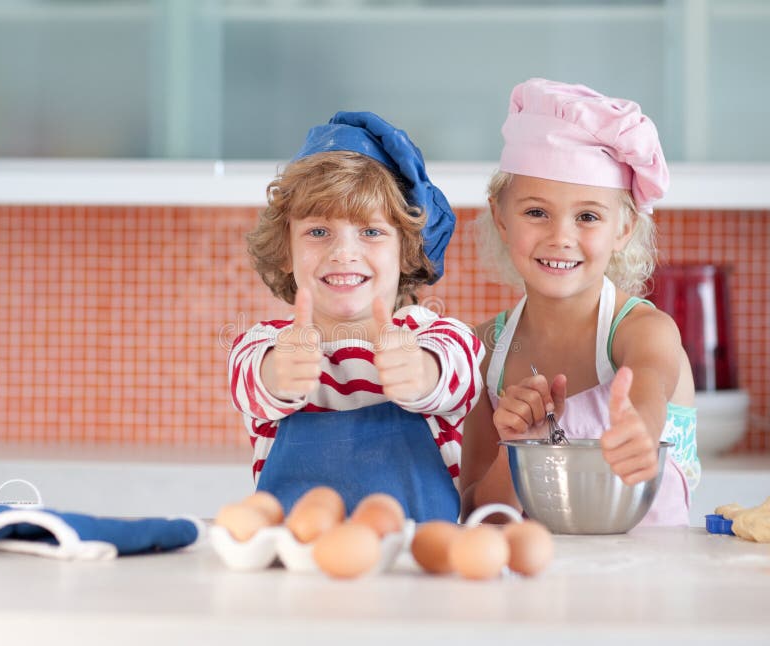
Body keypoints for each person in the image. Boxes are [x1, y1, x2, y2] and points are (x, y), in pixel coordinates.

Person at [460, 78, 700, 526]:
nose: (560, 237)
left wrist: (639, 430)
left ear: (623, 228)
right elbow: (480, 515)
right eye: (536, 212)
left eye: (587, 216)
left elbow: (648, 388)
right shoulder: (482, 352)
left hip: (655, 571)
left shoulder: (643, 331)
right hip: (540, 573)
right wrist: (517, 448)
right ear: (501, 218)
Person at [229, 111, 484, 522]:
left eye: (371, 232)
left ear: (407, 251)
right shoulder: (266, 345)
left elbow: (456, 374)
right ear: (286, 250)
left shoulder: (439, 337)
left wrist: (420, 372)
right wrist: (279, 373)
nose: (343, 253)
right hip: (298, 558)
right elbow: (252, 381)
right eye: (318, 232)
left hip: (418, 559)